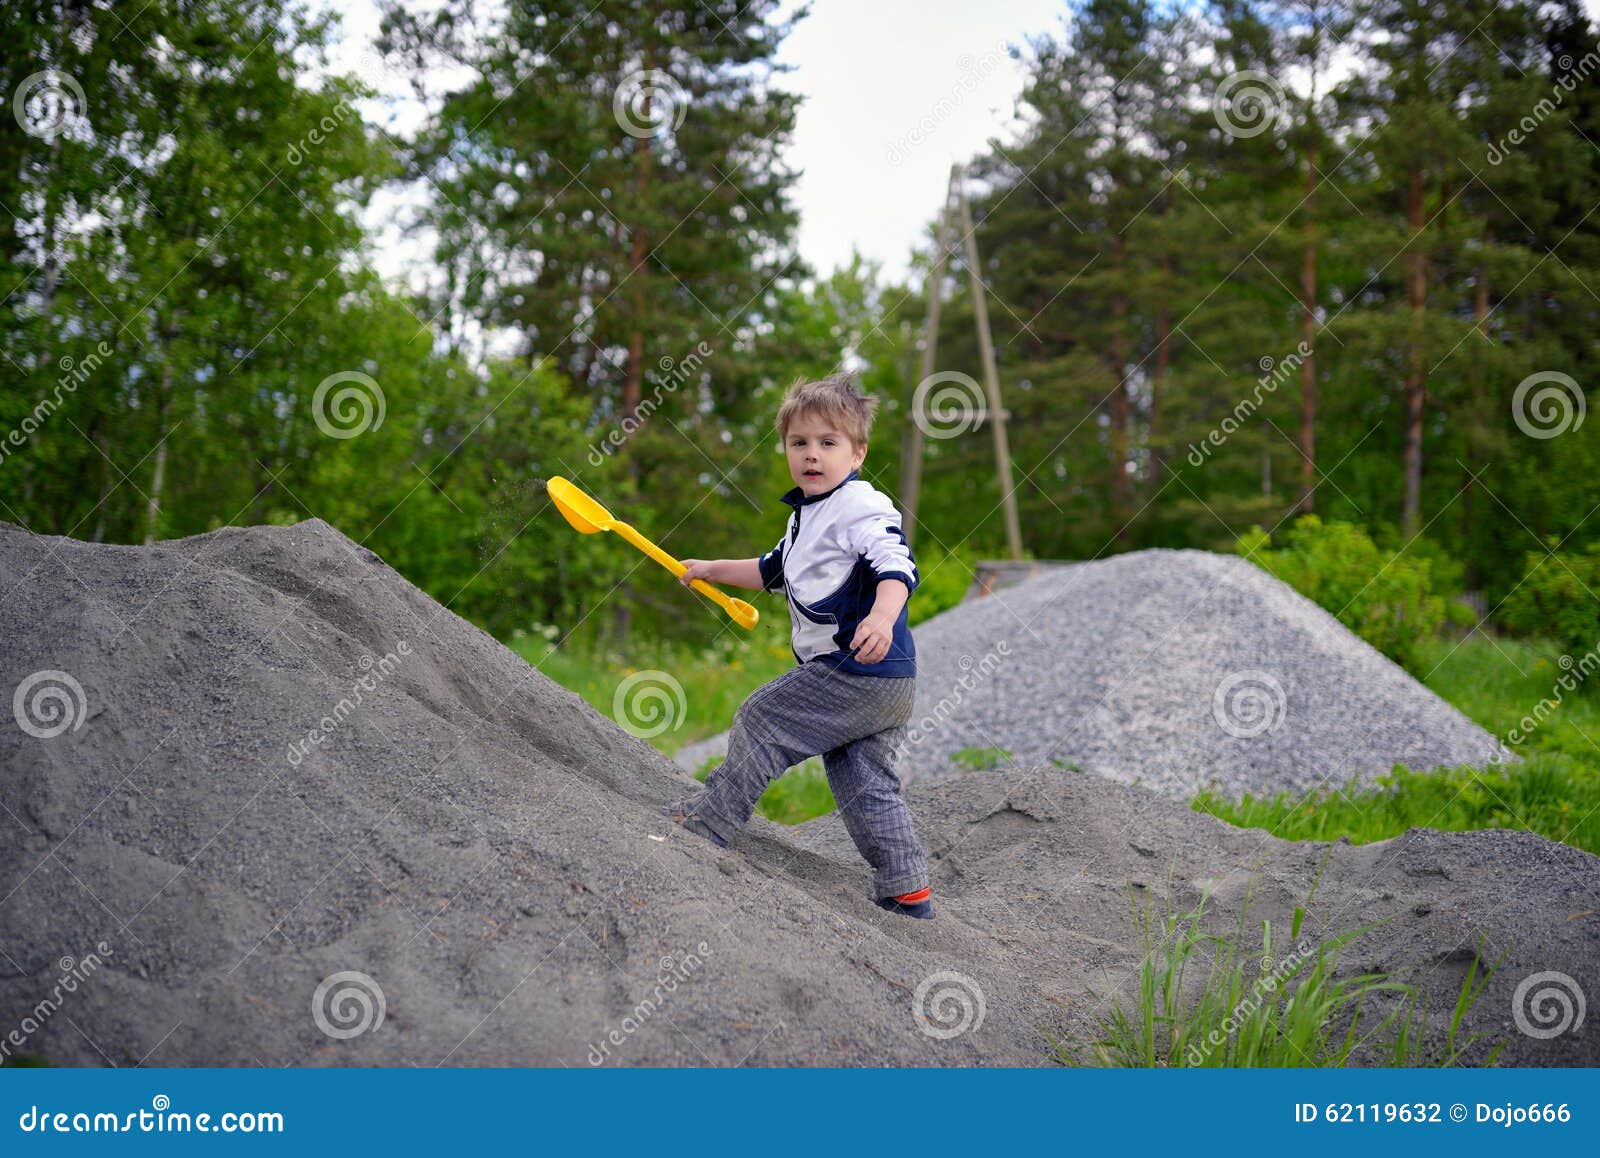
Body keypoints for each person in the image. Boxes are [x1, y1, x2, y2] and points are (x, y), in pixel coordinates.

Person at [661, 372, 934, 919]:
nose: (812, 455)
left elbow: (896, 563)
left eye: (828, 443)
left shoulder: (860, 505)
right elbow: (772, 570)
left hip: (859, 667)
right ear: (785, 448)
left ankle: (711, 820)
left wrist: (882, 618)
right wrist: (711, 568)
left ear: (857, 454)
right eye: (799, 442)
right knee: (862, 778)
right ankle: (907, 888)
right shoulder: (805, 517)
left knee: (763, 716)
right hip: (887, 683)